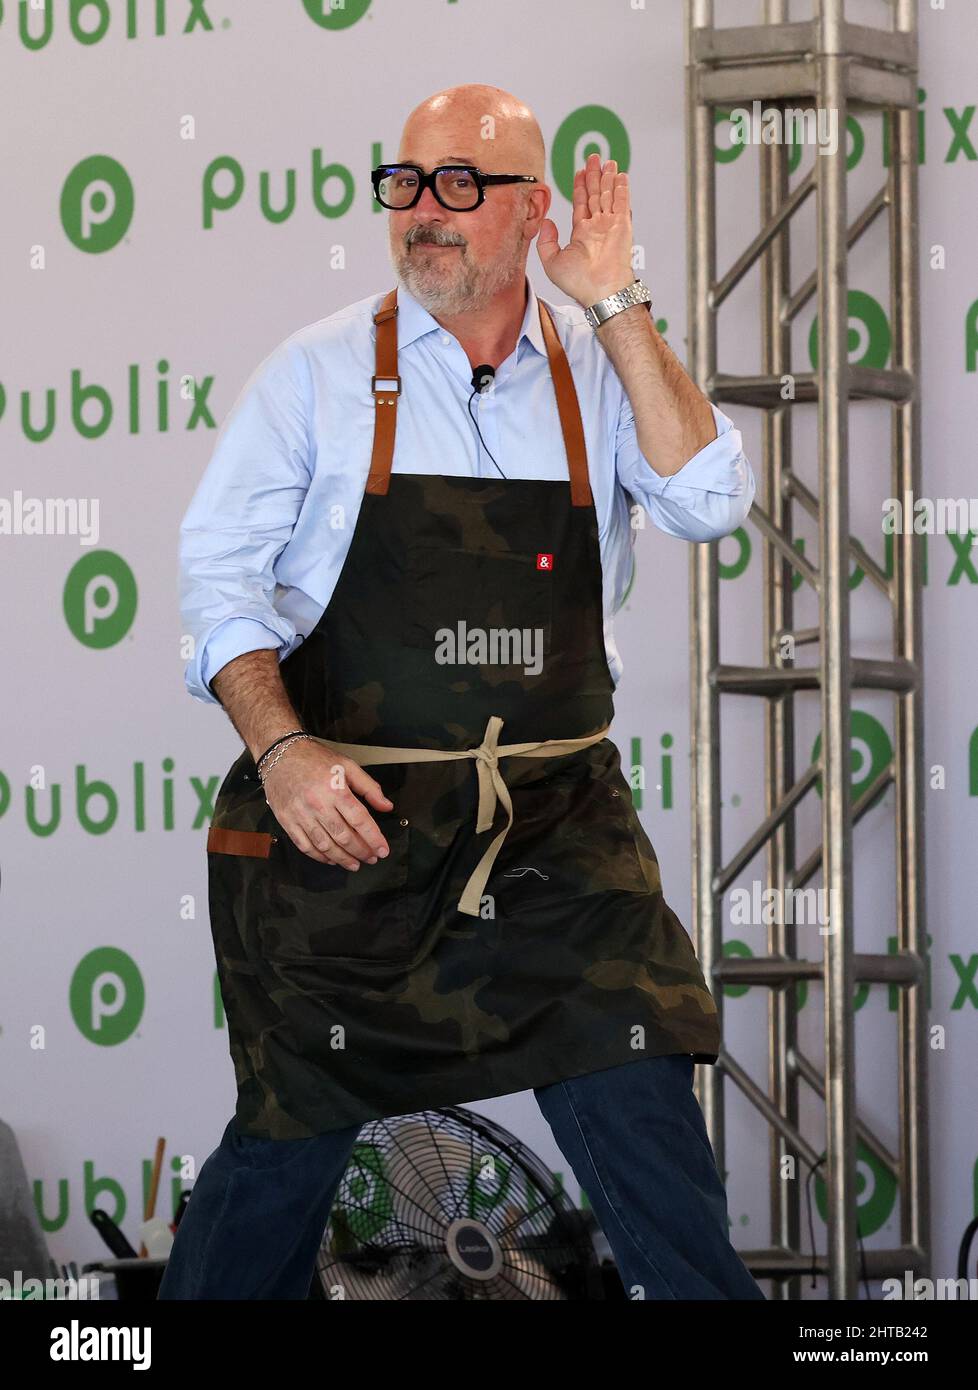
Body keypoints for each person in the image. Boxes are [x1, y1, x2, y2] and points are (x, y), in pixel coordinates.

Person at [160, 83, 763, 1301]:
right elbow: (217, 583)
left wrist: (620, 307)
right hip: (354, 840)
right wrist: (283, 753)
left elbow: (711, 499)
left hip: (554, 838)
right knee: (287, 1152)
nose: (421, 214)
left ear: (535, 210)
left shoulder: (601, 372)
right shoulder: (318, 377)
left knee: (641, 1085)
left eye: (456, 186)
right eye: (404, 184)